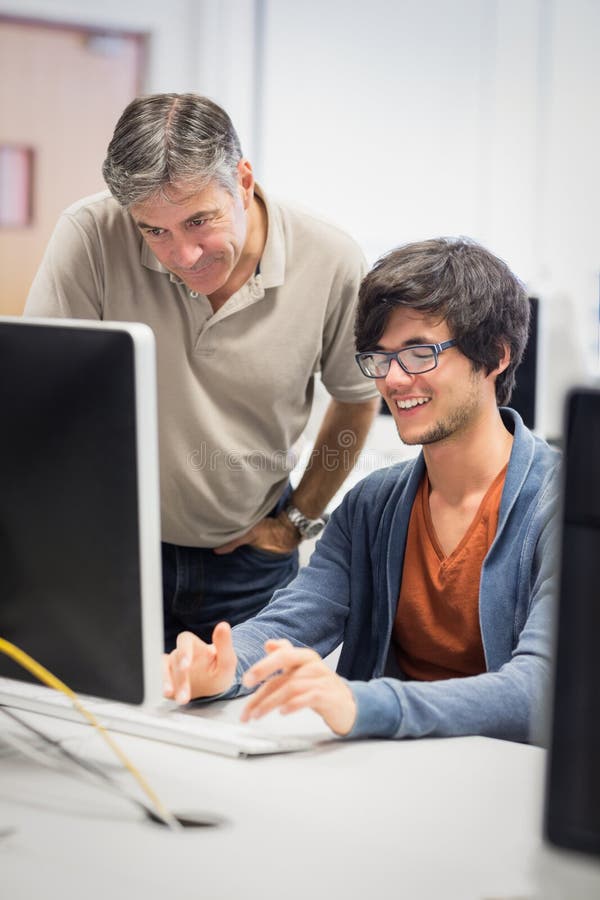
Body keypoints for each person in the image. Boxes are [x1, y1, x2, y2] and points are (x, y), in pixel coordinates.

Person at [163, 237, 561, 744]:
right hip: (383, 775)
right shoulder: (373, 504)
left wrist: (361, 702)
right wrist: (223, 666)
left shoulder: (564, 505)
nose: (394, 380)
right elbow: (290, 621)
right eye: (380, 357)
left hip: (506, 784)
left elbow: (538, 690)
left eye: (419, 353)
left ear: (496, 356)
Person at [24, 93, 380, 649]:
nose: (185, 255)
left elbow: (357, 399)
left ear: (242, 181)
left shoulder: (332, 259)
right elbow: (44, 396)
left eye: (199, 221)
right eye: (154, 232)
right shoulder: (92, 234)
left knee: (249, 731)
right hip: (112, 555)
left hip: (248, 567)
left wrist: (297, 521)